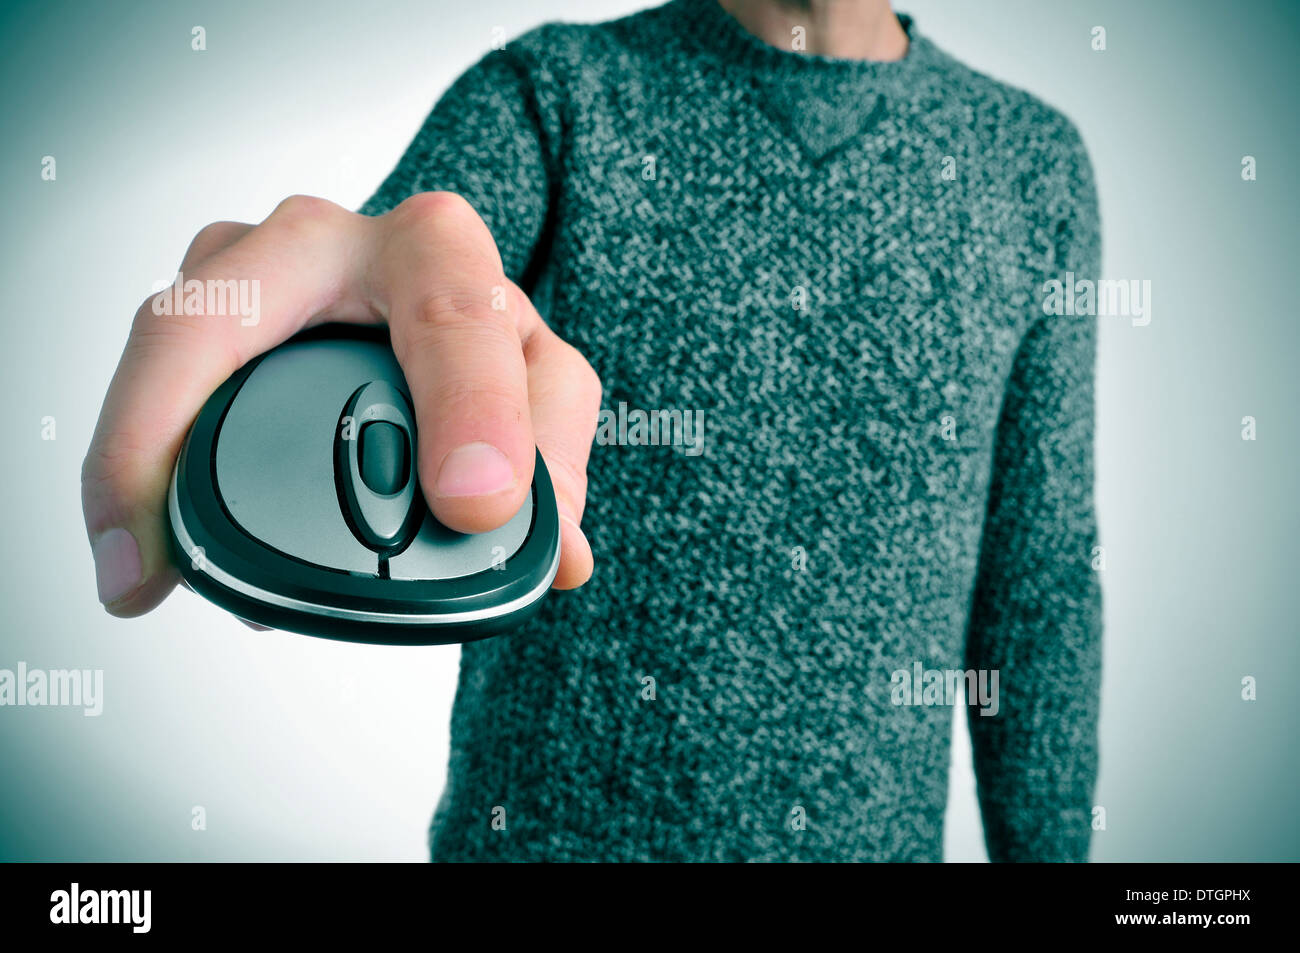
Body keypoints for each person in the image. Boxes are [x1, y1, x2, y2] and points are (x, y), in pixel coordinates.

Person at [81, 0, 1103, 861]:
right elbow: (399, 296)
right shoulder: (555, 94)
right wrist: (315, 361)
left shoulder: (1032, 165)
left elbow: (1039, 579)